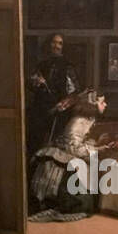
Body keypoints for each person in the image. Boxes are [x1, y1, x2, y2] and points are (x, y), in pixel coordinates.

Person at [28, 90, 108, 220]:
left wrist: (96, 146)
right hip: (65, 156)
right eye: (102, 102)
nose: (106, 104)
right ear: (92, 104)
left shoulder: (88, 119)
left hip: (74, 151)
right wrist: (96, 150)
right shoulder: (80, 121)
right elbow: (71, 146)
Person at [26, 33, 80, 164]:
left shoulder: (67, 66)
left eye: (60, 43)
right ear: (49, 44)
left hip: (58, 112)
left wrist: (62, 105)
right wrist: (36, 82)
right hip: (39, 109)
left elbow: (73, 92)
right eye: (54, 42)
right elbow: (30, 86)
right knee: (35, 144)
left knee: (54, 148)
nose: (56, 46)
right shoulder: (42, 64)